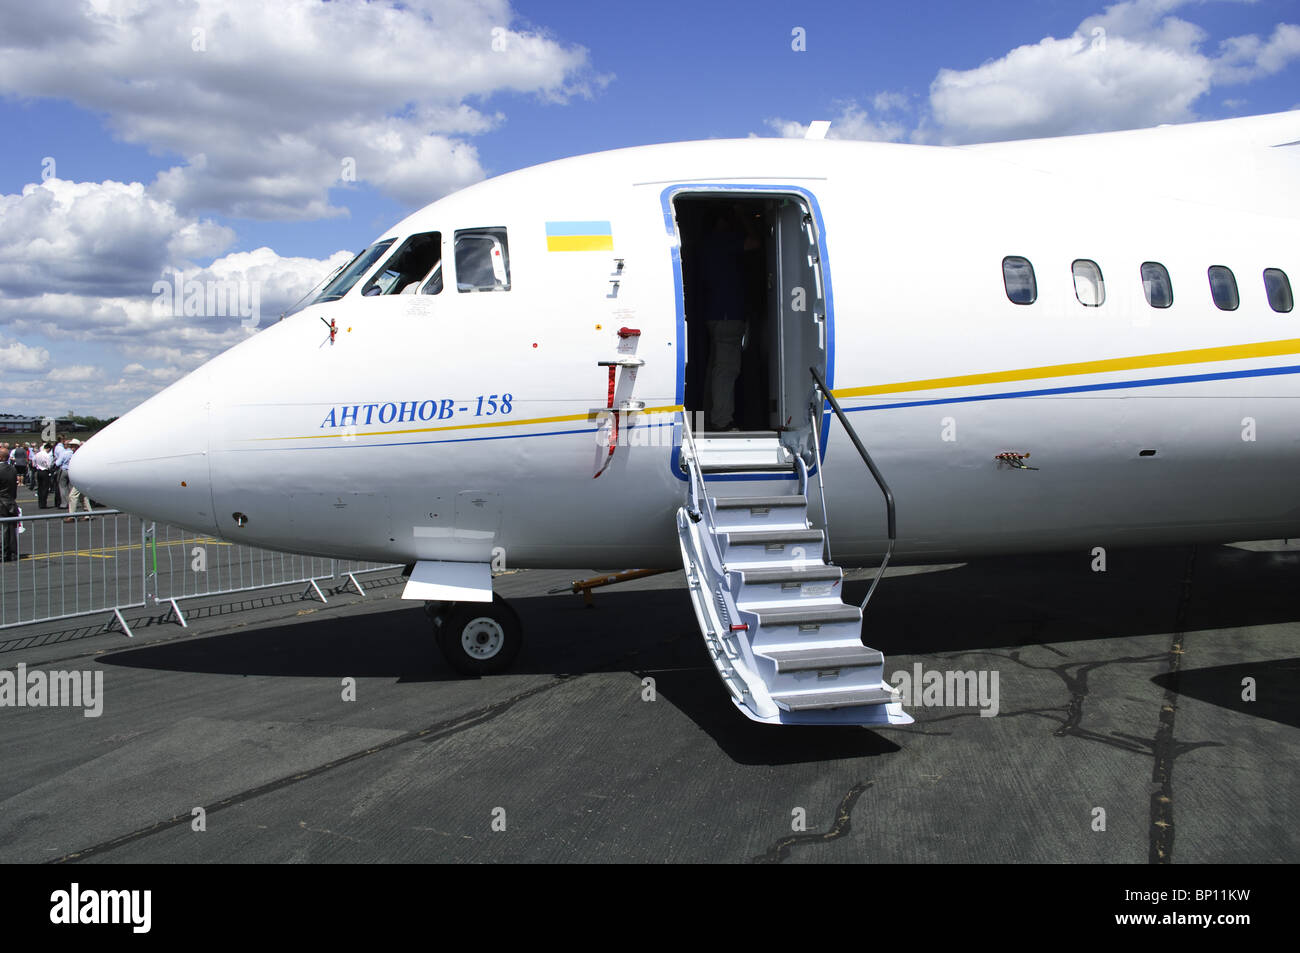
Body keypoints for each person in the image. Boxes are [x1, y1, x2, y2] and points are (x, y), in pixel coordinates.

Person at [698, 209, 760, 430]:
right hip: (728, 315)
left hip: (716, 314)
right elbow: (754, 243)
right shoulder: (724, 241)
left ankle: (708, 417)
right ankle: (722, 421)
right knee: (726, 370)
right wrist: (746, 219)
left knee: (716, 368)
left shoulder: (707, 245)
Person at [63, 439, 92, 521]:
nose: (71, 447)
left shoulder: (80, 454)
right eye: (71, 445)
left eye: (73, 445)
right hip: (80, 476)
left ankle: (72, 515)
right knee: (83, 497)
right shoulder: (76, 454)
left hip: (81, 477)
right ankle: (89, 514)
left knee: (72, 496)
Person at [0, 445, 17, 562]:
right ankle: (12, 552)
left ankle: (4, 553)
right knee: (11, 528)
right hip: (10, 500)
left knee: (4, 528)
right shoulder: (12, 469)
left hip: (1, 501)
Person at [33, 442, 53, 508]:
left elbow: (34, 463)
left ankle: (40, 503)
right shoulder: (47, 455)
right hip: (45, 471)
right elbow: (49, 465)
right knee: (45, 488)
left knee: (40, 488)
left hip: (38, 471)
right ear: (48, 448)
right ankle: (44, 503)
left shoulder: (37, 454)